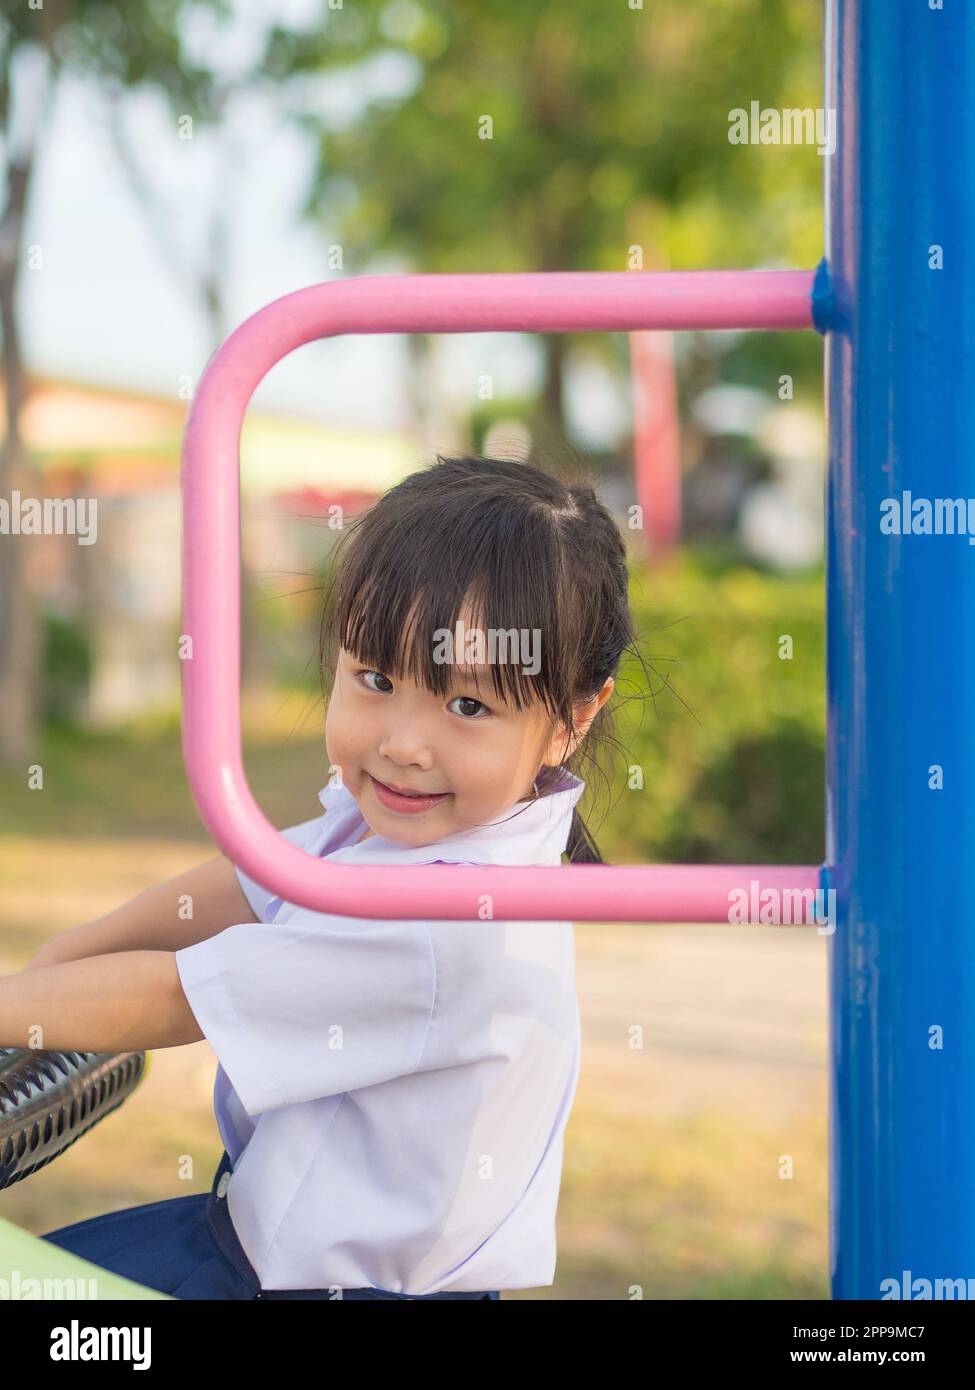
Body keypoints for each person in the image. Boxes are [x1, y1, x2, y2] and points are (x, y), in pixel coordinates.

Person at [9, 453, 647, 1300]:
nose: (401, 743)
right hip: (249, 1242)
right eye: (375, 680)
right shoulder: (415, 825)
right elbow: (248, 885)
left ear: (571, 719)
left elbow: (175, 997)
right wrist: (65, 956)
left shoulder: (449, 920)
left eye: (467, 706)